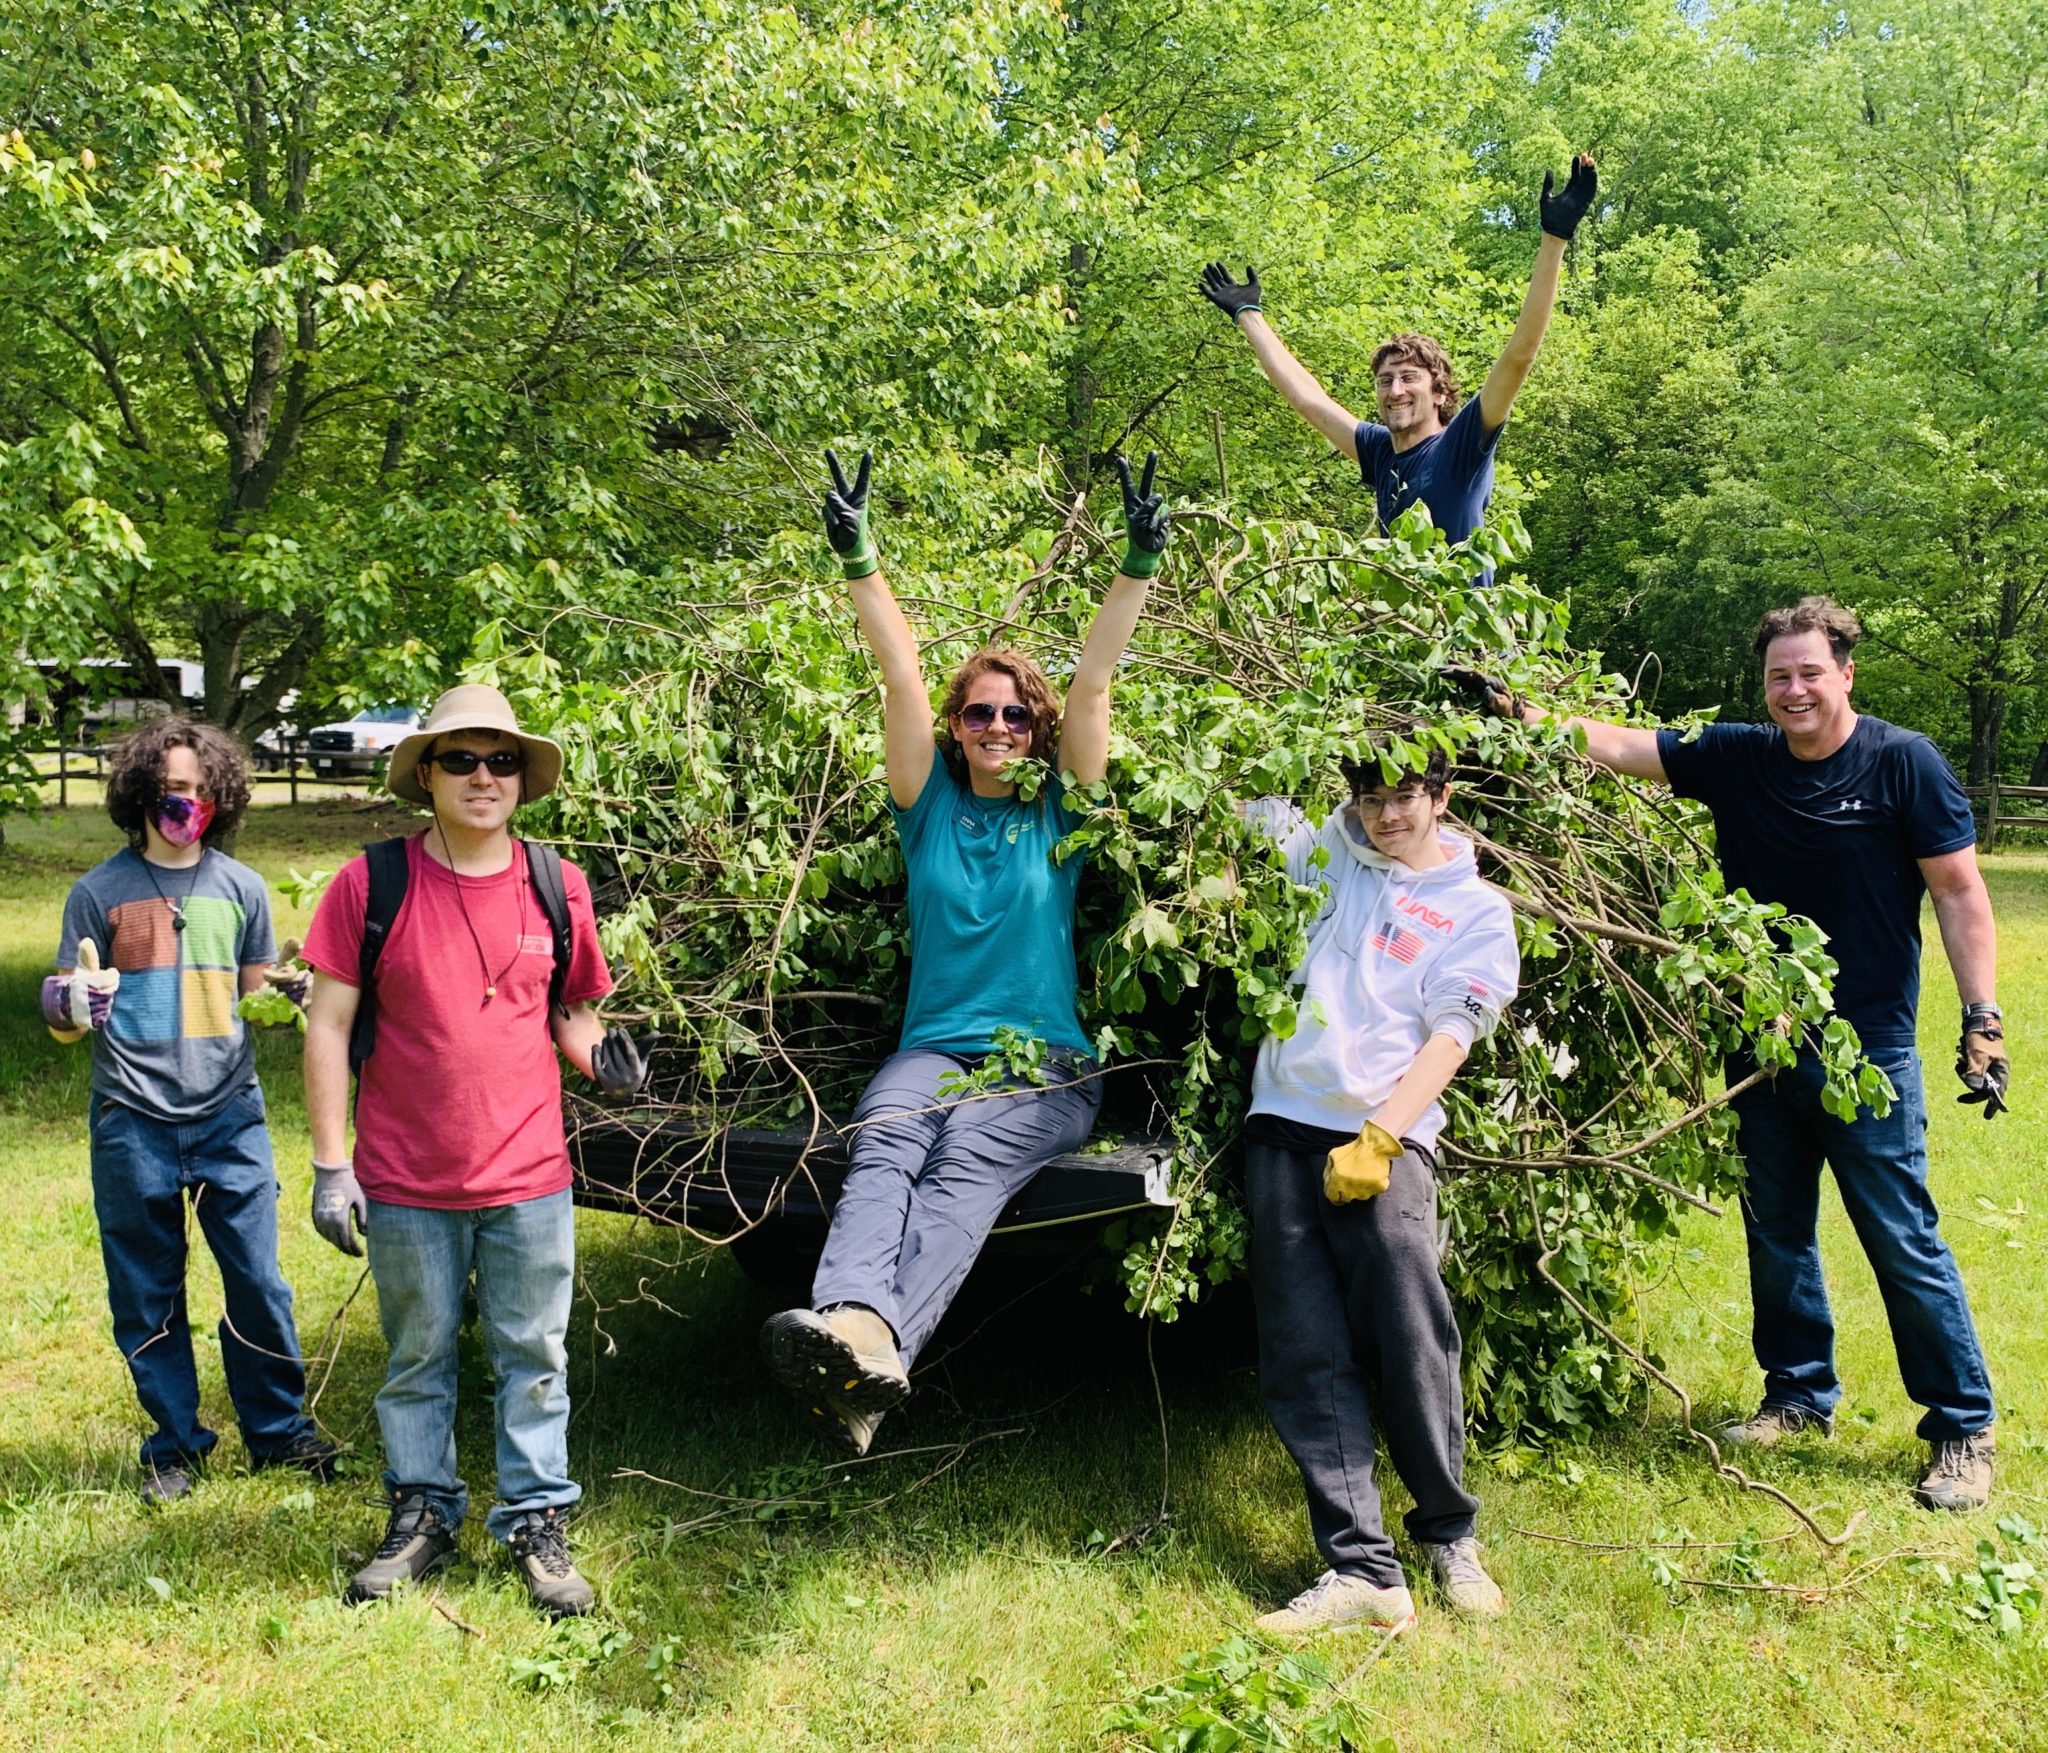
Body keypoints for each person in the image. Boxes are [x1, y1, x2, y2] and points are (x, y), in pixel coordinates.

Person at [1450, 595, 2006, 1511]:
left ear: (1846, 675)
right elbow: (1628, 746)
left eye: (1810, 673)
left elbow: (1960, 893)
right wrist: (1516, 712)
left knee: (1899, 1235)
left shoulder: (1905, 764)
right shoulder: (1742, 758)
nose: (1794, 690)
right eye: (1780, 675)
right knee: (1776, 1226)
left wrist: (1982, 1016)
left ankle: (1961, 1426)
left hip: (1865, 1045)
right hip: (1758, 1037)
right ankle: (1796, 1397)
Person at [758, 449, 1168, 1456]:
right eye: (979, 711)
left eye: (1014, 713)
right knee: (888, 1133)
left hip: (1044, 1062)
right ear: (956, 724)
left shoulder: (1061, 816)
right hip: (934, 1045)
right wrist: (858, 555)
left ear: (1036, 730)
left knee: (964, 1161)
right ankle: (854, 1327)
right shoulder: (926, 809)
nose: (997, 724)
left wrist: (1137, 562)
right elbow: (895, 668)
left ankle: (876, 1341)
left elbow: (1095, 678)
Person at [300, 685, 648, 1616]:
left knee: (534, 1354)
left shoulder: (556, 881)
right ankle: (422, 1512)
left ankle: (536, 1521)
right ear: (427, 772)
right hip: (406, 1176)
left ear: (522, 778)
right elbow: (328, 1025)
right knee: (417, 1355)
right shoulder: (371, 883)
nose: (483, 775)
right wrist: (332, 1166)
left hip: (530, 1173)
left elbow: (574, 1011)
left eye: (500, 759)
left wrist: (602, 1059)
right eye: (462, 758)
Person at [1239, 746, 1520, 1635]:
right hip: (1282, 1123)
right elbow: (1245, 798)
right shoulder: (1324, 853)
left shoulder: (1474, 909)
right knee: (1303, 1342)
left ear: (1440, 796)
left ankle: (1448, 1533)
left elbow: (1454, 1031)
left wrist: (1384, 1132)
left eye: (1405, 797)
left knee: (1408, 1320)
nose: (1386, 815)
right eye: (1370, 797)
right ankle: (1361, 1568)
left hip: (1384, 1135)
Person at [42, 717, 339, 1505]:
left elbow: (255, 994)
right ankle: (174, 1447)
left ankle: (279, 1435)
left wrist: (298, 993)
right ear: (142, 790)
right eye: (176, 789)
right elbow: (59, 1016)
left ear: (224, 797)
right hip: (130, 1118)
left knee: (258, 1283)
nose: (189, 803)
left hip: (229, 1115)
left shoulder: (240, 888)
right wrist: (72, 999)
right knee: (145, 1292)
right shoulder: (97, 892)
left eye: (203, 790)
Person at [1198, 156, 1597, 579]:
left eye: (1409, 378)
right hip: (1407, 639)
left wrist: (1555, 238)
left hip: (1467, 643)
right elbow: (1308, 400)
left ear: (1440, 393)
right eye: (1385, 381)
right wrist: (1248, 314)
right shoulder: (1380, 451)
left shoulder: (1461, 447)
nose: (1395, 390)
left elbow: (1519, 356)